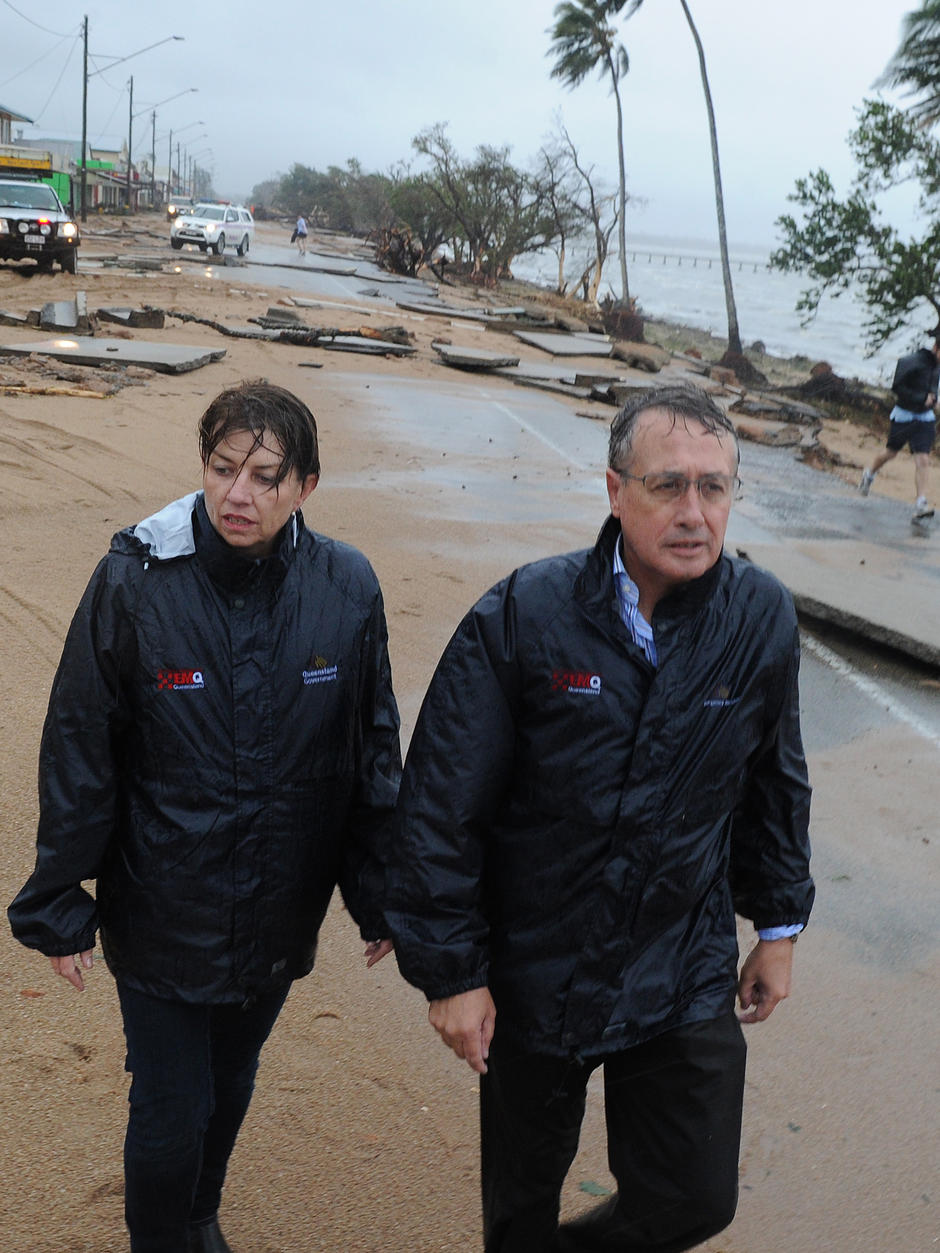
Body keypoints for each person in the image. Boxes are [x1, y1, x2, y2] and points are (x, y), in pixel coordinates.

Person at [386, 382, 814, 1253]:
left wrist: (777, 925)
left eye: (715, 487)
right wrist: (450, 972)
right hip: (537, 963)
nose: (694, 512)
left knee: (694, 1197)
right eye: (668, 485)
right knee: (520, 1206)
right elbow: (440, 803)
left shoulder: (759, 617)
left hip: (681, 957)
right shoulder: (525, 616)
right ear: (616, 491)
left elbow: (775, 780)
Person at [8, 381, 401, 1253]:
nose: (238, 493)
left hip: (278, 902)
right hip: (160, 906)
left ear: (304, 484)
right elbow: (80, 743)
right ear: (203, 466)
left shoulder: (347, 587)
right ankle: (164, 1233)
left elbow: (371, 752)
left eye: (265, 475)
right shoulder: (134, 582)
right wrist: (59, 895)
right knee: (169, 1112)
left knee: (231, 1081)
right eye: (224, 468)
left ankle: (198, 1214)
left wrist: (381, 891)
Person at [859, 336, 938, 521]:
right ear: (936, 347)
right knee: (891, 453)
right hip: (904, 416)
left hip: (925, 418)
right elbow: (897, 387)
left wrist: (933, 400)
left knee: (923, 459)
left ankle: (920, 503)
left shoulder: (937, 367)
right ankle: (869, 474)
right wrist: (921, 398)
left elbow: (933, 388)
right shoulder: (910, 362)